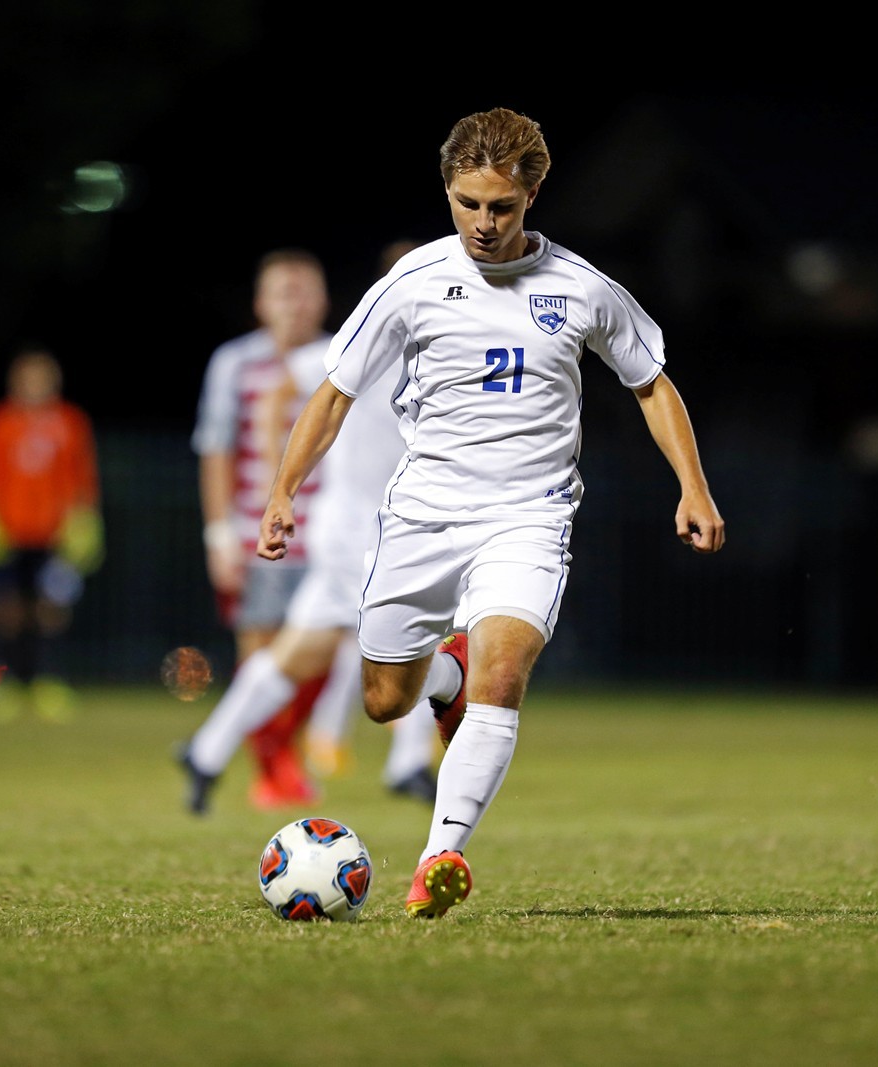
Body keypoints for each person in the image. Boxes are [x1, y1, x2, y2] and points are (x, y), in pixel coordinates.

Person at [254, 108, 726, 918]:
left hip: (529, 516)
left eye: (500, 206)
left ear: (533, 194)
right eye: (467, 203)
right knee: (384, 699)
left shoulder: (580, 288)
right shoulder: (409, 285)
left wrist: (694, 484)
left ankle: (441, 855)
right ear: (449, 191)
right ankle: (447, 678)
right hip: (424, 517)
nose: (482, 222)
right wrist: (282, 492)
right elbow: (333, 394)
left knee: (504, 672)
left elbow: (650, 381)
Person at [176, 241, 441, 817]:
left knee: (297, 654)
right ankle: (408, 763)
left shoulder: (435, 346)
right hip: (357, 531)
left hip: (370, 530)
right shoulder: (353, 343)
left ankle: (205, 751)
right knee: (422, 630)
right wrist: (283, 483)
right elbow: (280, 402)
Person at [188, 248, 335, 808]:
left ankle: (283, 758)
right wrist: (220, 535)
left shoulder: (341, 357)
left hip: (329, 537)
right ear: (260, 304)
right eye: (283, 292)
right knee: (261, 656)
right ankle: (272, 771)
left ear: (322, 300)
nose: (294, 304)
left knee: (323, 658)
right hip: (259, 538)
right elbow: (216, 451)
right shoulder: (234, 363)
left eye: (304, 291)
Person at [0, 344, 104, 722]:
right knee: (8, 610)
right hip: (6, 532)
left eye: (43, 376)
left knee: (51, 609)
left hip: (55, 534)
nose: (36, 384)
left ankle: (46, 681)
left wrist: (85, 520)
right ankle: (11, 682)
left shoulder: (70, 422)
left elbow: (83, 477)